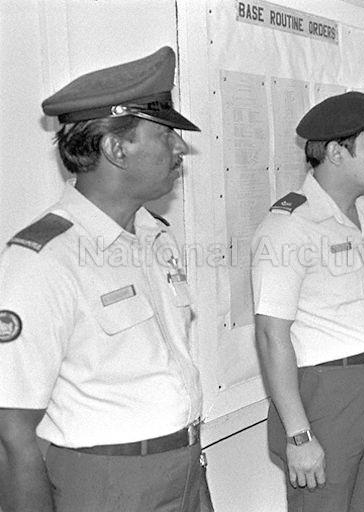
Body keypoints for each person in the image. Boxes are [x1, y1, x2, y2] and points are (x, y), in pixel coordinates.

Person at [0, 47, 212, 512]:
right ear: (116, 149)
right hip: (109, 485)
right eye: (165, 134)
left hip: (184, 469)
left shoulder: (155, 236)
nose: (180, 148)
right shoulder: (43, 261)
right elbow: (12, 433)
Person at [251, 91, 364, 512]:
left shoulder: (363, 217)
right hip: (326, 394)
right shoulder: (289, 226)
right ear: (335, 152)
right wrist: (298, 435)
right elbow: (271, 334)